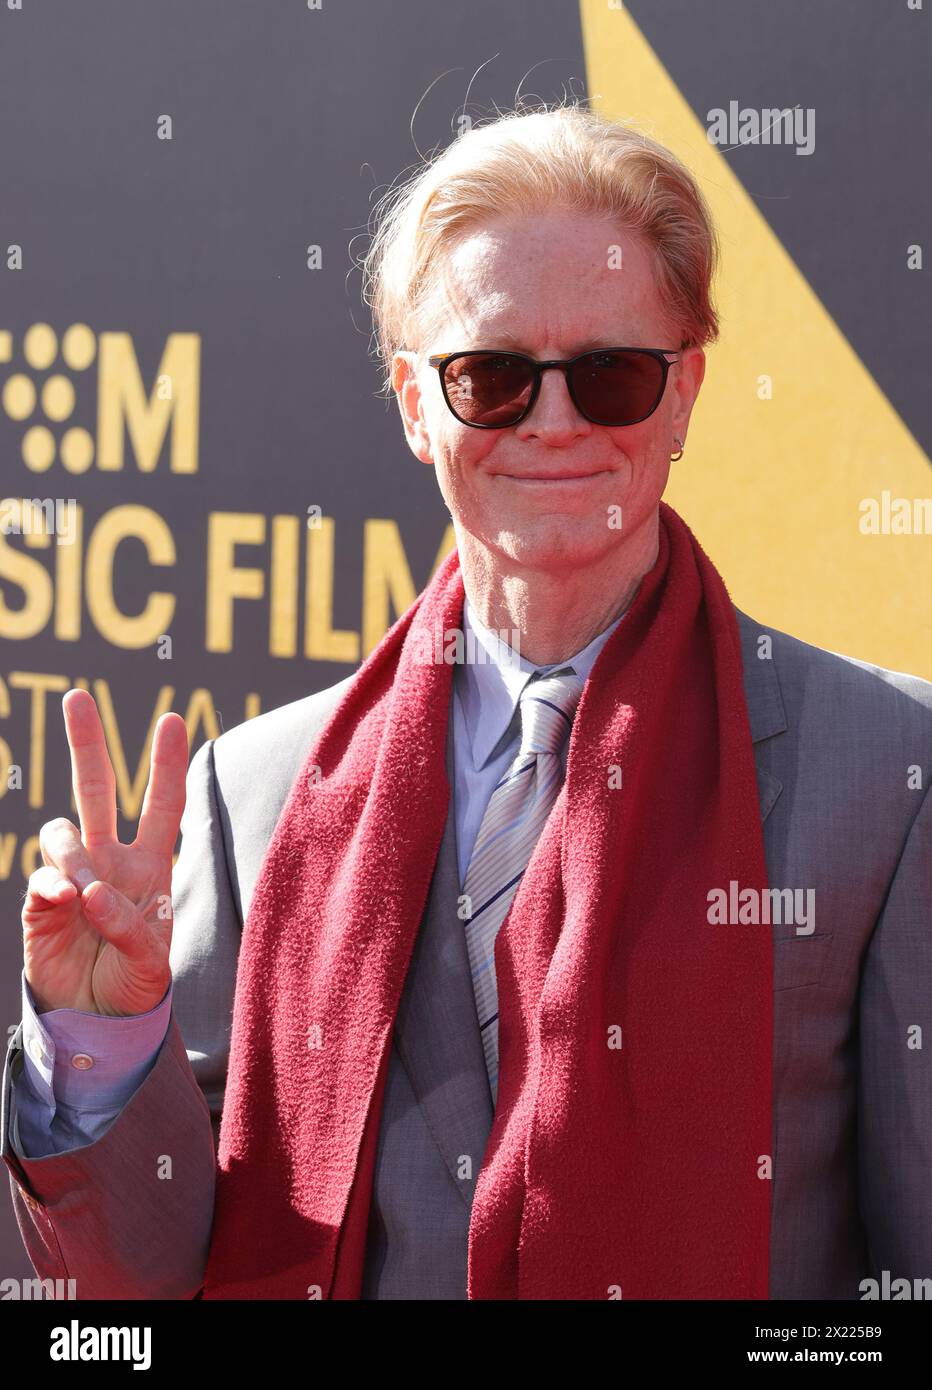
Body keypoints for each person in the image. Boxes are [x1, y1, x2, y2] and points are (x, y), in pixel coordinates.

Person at [3, 102, 930, 1300]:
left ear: (684, 392)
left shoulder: (885, 771)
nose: (553, 422)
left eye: (609, 373)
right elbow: (152, 1283)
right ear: (411, 402)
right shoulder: (256, 789)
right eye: (490, 375)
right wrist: (99, 1048)